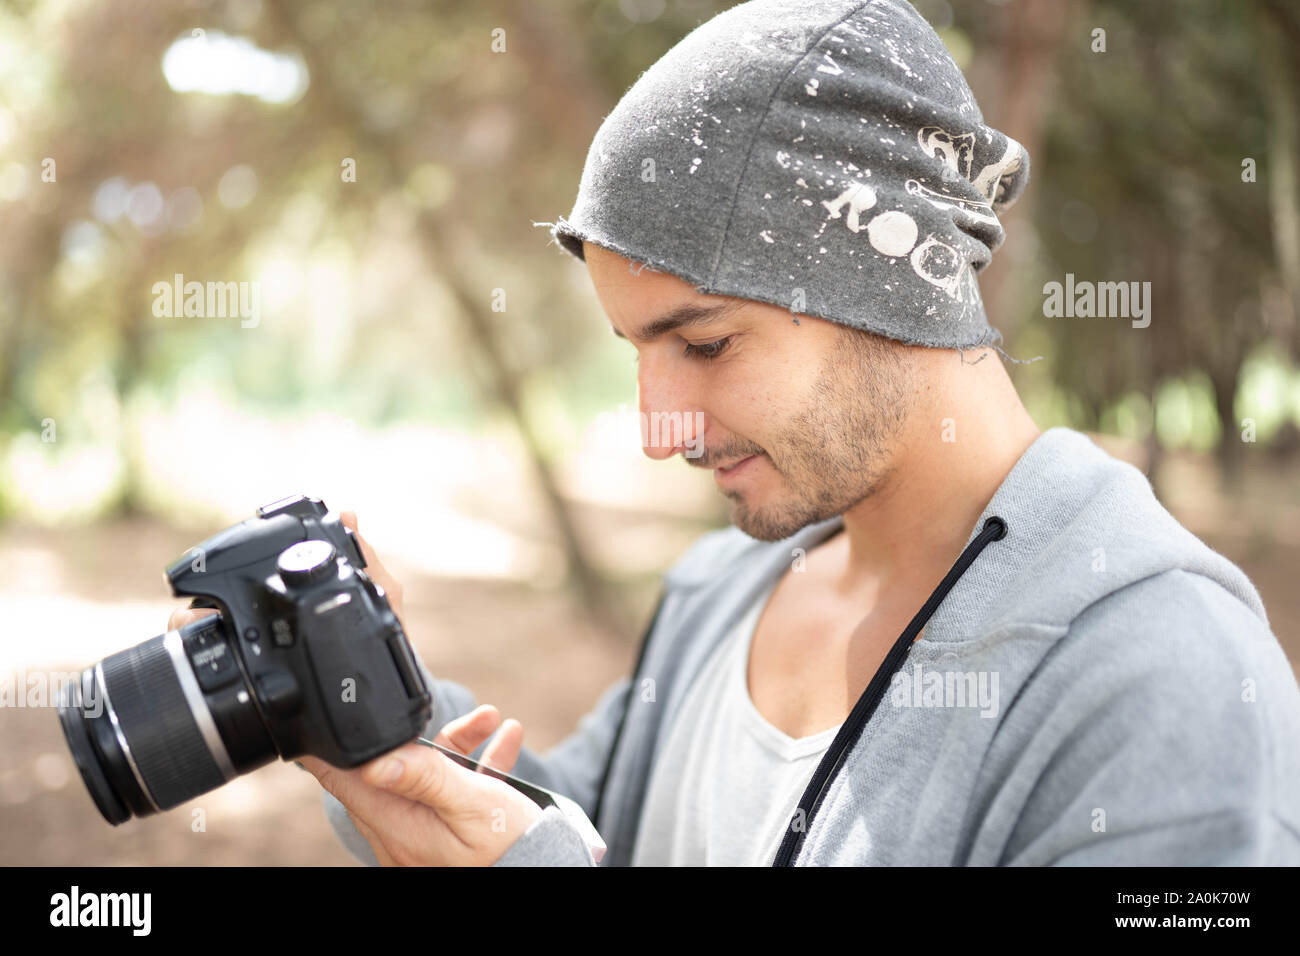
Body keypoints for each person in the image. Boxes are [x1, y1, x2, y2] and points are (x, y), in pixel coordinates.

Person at [170, 0, 1300, 865]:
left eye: (704, 345)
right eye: (635, 350)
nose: (658, 429)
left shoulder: (1160, 679)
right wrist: (372, 692)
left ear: (893, 291)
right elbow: (577, 823)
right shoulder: (724, 587)